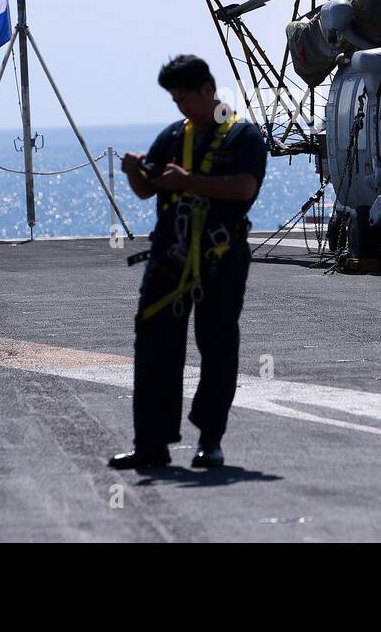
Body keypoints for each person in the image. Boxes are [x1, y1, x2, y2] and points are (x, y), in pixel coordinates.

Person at [108, 55, 267, 470]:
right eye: (175, 100)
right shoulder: (174, 135)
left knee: (216, 346)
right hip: (168, 257)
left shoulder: (243, 136)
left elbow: (244, 188)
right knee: (154, 345)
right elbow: (148, 190)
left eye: (186, 98)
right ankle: (151, 444)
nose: (182, 108)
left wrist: (190, 181)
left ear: (207, 89)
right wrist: (133, 172)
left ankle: (209, 442)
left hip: (220, 257)